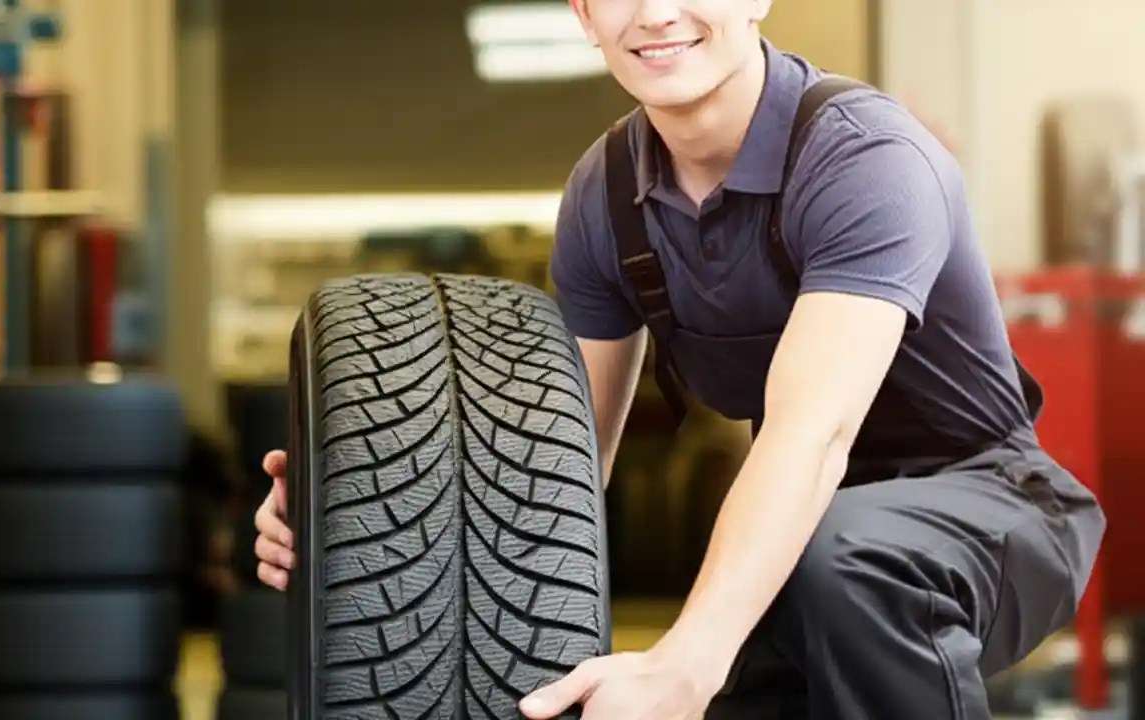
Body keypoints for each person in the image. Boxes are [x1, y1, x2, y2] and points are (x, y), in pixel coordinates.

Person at [253, 0, 1107, 718]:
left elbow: (814, 432)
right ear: (585, 13)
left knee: (837, 561)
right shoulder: (604, 196)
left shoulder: (866, 158)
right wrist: (368, 513)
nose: (656, 13)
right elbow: (550, 474)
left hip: (998, 507)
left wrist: (689, 663)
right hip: (805, 533)